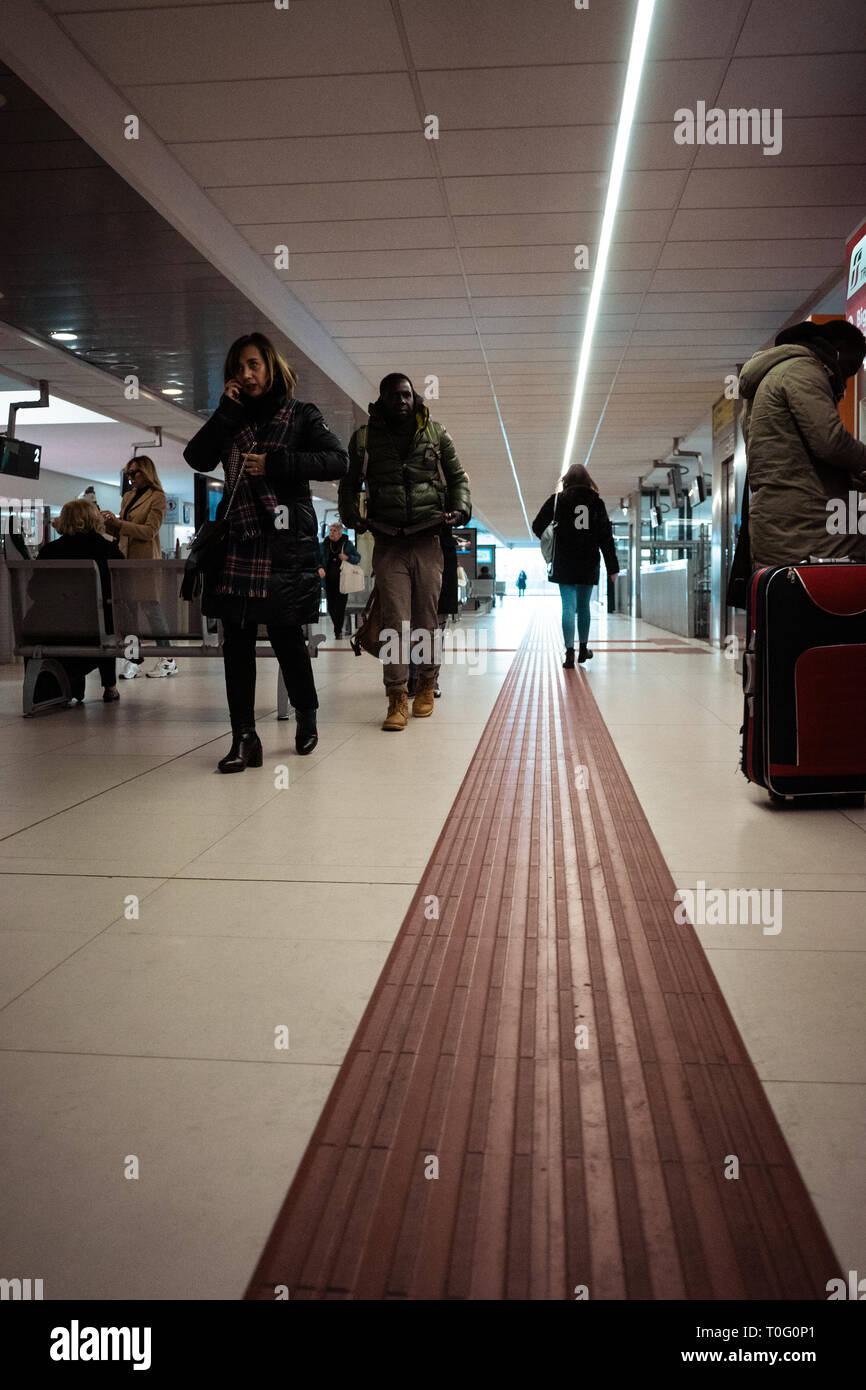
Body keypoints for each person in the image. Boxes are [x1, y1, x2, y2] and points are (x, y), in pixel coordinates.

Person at [183, 331, 348, 771]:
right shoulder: (230, 419)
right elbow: (196, 456)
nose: (246, 373)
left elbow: (338, 460)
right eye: (239, 367)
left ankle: (307, 715)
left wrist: (277, 463)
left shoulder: (300, 415)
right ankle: (244, 738)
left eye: (254, 364)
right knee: (234, 642)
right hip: (237, 543)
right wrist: (225, 411)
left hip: (283, 542)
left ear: (271, 366)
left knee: (286, 636)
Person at [340, 373, 471, 731]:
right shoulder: (365, 440)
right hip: (388, 541)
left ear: (415, 398)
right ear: (381, 400)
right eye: (394, 395)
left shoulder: (436, 434)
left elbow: (459, 478)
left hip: (428, 539)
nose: (401, 401)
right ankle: (397, 695)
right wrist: (353, 516)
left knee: (427, 620)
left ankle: (426, 681)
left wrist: (460, 508)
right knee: (396, 623)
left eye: (407, 395)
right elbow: (349, 485)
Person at [739, 319, 866, 566]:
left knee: (789, 600)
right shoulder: (803, 371)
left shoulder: (773, 376)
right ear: (837, 349)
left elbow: (786, 458)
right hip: (807, 522)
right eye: (851, 366)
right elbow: (831, 442)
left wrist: (847, 478)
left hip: (782, 522)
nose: (847, 379)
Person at [532, 463, 619, 668]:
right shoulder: (597, 503)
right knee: (584, 607)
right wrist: (612, 567)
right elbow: (606, 536)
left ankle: (569, 653)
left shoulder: (557, 501)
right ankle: (583, 648)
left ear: (566, 481)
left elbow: (537, 525)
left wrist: (554, 536)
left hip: (564, 560)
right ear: (588, 481)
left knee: (568, 607)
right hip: (588, 560)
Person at [38, 498, 122, 702]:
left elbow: (35, 591)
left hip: (54, 628)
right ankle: (110, 687)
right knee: (106, 614)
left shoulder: (49, 551)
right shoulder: (108, 549)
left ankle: (63, 686)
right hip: (97, 630)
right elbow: (121, 591)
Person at [102, 456, 176, 679]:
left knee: (151, 609)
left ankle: (168, 658)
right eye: (128, 474)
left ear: (147, 472)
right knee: (129, 613)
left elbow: (149, 531)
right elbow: (124, 531)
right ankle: (133, 658)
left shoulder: (158, 498)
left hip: (144, 562)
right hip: (125, 560)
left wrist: (120, 524)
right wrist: (110, 524)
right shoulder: (128, 497)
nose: (131, 478)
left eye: (135, 473)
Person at [318, 520, 361, 640]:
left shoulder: (347, 544)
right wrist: (320, 568)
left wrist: (347, 557)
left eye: (334, 531)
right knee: (331, 606)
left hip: (344, 581)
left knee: (340, 606)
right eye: (330, 530)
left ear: (340, 533)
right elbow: (316, 560)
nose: (331, 533)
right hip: (328, 581)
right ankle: (337, 627)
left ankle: (338, 631)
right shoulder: (324, 545)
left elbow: (357, 558)